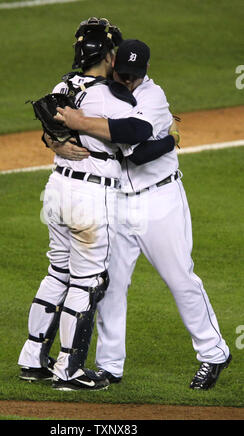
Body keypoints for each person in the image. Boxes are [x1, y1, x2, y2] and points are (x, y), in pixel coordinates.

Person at [55, 39, 232, 390]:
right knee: (112, 286)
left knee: (180, 278)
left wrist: (86, 123)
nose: (128, 81)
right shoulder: (103, 92)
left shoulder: (154, 98)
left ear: (145, 71)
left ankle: (214, 352)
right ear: (113, 67)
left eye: (134, 76)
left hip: (160, 199)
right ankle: (109, 365)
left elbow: (136, 151)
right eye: (122, 74)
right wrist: (59, 137)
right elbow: (66, 123)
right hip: (117, 201)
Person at [18, 19, 176, 391]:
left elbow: (48, 121)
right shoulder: (111, 97)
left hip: (56, 188)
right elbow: (137, 135)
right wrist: (169, 139)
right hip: (89, 196)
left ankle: (32, 359)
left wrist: (55, 140)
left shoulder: (63, 85)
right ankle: (69, 370)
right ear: (107, 55)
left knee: (58, 272)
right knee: (89, 282)